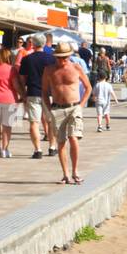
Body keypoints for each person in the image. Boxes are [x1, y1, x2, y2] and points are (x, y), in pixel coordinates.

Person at [41, 42, 92, 184]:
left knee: (74, 138)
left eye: (64, 57)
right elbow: (44, 90)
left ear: (69, 56)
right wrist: (49, 107)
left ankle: (75, 171)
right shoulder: (49, 70)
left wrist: (81, 105)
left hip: (74, 106)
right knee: (61, 142)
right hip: (57, 108)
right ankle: (66, 174)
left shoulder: (76, 67)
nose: (61, 60)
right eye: (58, 58)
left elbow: (88, 87)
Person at [17, 34, 55, 159]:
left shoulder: (27, 59)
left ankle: (37, 150)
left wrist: (23, 92)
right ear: (44, 44)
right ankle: (52, 147)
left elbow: (22, 78)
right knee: (50, 121)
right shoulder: (51, 59)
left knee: (34, 122)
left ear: (32, 43)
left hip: (33, 92)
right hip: (48, 93)